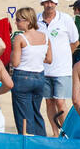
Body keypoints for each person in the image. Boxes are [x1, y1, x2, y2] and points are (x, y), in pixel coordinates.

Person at [38, 0, 79, 134]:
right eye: (46, 2)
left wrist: (65, 56)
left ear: (56, 3)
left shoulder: (65, 19)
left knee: (61, 103)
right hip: (43, 69)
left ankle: (68, 133)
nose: (49, 5)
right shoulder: (36, 20)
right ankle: (56, 133)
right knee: (49, 102)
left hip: (62, 69)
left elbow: (75, 41)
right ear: (42, 3)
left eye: (52, 2)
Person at [8, 7, 52, 136]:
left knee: (23, 116)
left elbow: (15, 62)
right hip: (39, 76)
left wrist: (12, 55)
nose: (15, 22)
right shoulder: (44, 36)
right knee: (35, 112)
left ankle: (28, 146)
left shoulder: (20, 38)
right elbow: (49, 59)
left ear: (27, 21)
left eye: (18, 20)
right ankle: (41, 142)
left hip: (22, 76)